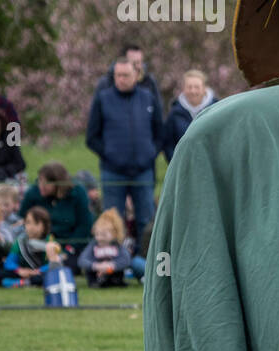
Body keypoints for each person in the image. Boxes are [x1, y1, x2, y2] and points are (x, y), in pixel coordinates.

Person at [87, 56, 163, 234]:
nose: (121, 79)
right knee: (113, 222)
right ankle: (116, 260)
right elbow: (91, 137)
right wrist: (110, 155)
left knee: (147, 220)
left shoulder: (148, 98)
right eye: (117, 75)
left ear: (136, 75)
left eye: (125, 75)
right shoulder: (103, 99)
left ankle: (146, 259)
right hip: (113, 173)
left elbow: (160, 132)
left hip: (143, 172)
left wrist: (150, 154)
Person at [19, 162, 94, 256]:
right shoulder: (33, 193)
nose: (40, 186)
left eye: (45, 183)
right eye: (39, 181)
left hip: (70, 246)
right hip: (39, 245)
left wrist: (69, 249)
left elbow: (84, 225)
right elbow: (21, 218)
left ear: (58, 183)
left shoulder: (77, 193)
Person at [162, 69, 218, 161]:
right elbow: (168, 143)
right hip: (183, 167)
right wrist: (176, 163)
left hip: (211, 166)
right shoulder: (174, 113)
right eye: (189, 87)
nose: (193, 91)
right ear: (184, 89)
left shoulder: (216, 110)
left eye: (197, 87)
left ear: (204, 88)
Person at [95, 45, 164, 114]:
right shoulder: (106, 83)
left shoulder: (149, 82)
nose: (138, 66)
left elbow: (158, 110)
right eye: (134, 63)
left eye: (139, 62)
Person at [3, 206, 60, 287]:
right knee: (3, 273)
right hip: (24, 273)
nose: (30, 227)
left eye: (34, 223)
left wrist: (38, 271)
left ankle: (23, 283)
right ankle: (24, 282)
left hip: (40, 274)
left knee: (51, 275)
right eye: (27, 222)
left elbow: (55, 263)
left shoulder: (50, 241)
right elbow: (9, 262)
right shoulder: (20, 241)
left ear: (44, 225)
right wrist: (19, 270)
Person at [77, 208, 132, 287]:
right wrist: (96, 266)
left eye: (103, 235)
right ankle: (98, 282)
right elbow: (82, 260)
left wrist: (112, 265)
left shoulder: (117, 246)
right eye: (97, 234)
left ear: (115, 234)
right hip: (96, 272)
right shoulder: (93, 245)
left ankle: (115, 281)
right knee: (90, 272)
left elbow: (126, 259)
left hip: (112, 271)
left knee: (117, 272)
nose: (99, 238)